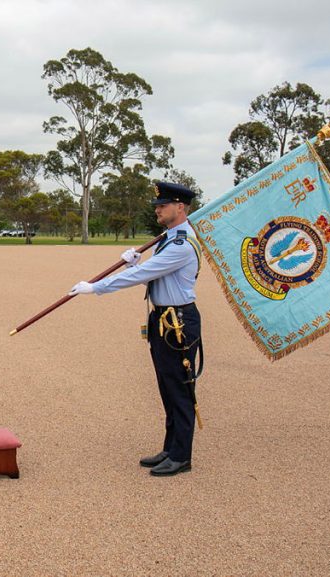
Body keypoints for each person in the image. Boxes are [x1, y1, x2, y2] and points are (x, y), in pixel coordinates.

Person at [69, 181, 202, 477]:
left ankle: (182, 456)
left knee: (179, 389)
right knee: (167, 386)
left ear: (180, 207)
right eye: (157, 205)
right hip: (163, 318)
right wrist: (133, 265)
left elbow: (145, 274)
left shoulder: (181, 244)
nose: (157, 210)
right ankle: (171, 448)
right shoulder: (169, 238)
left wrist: (97, 287)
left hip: (177, 321)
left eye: (162, 205)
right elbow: (153, 277)